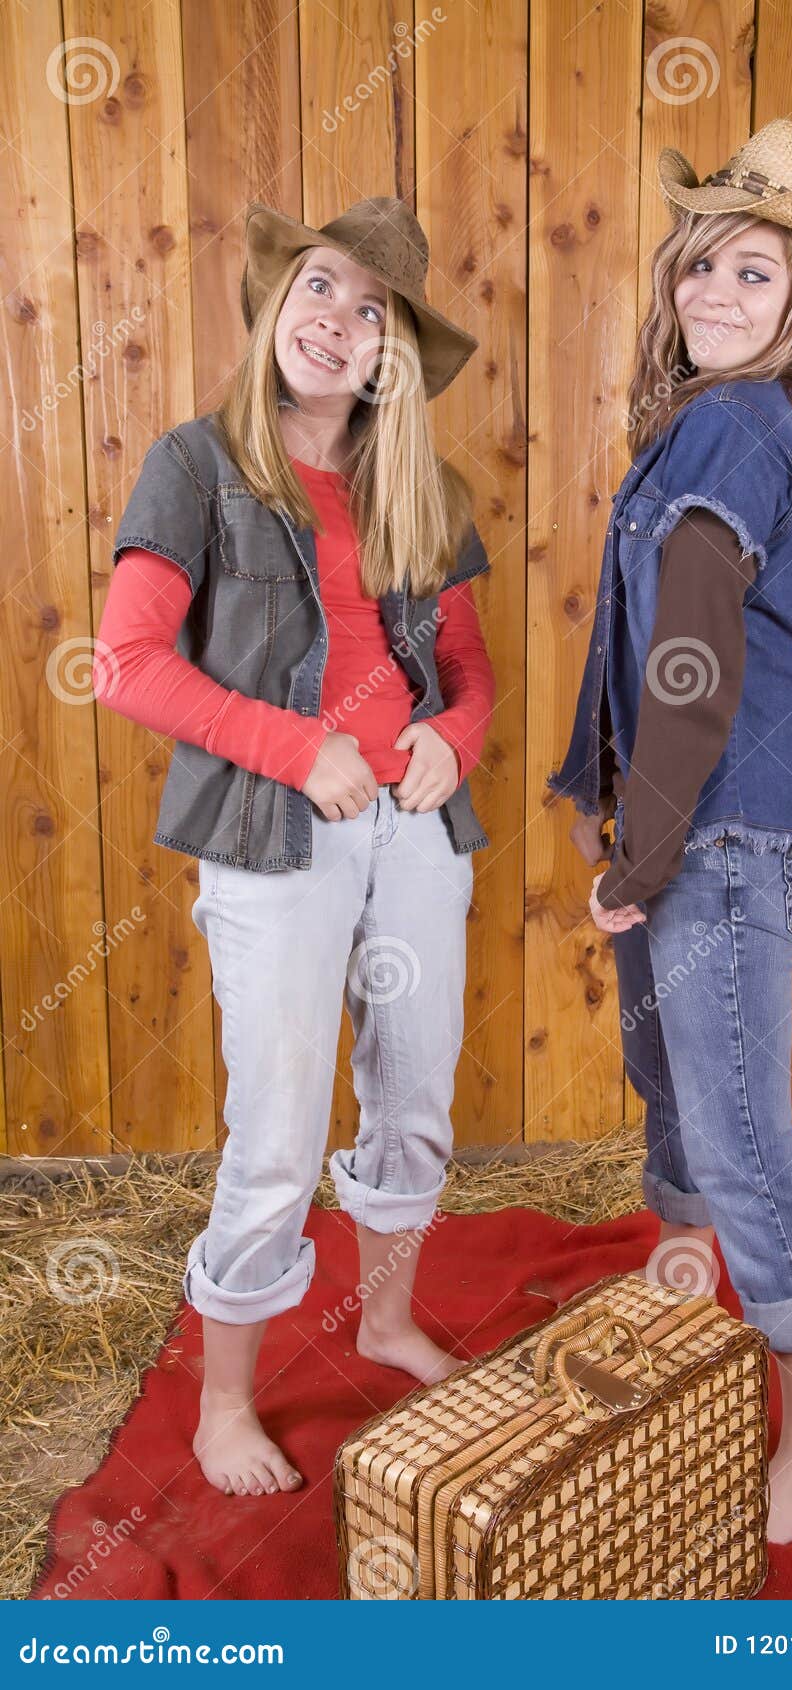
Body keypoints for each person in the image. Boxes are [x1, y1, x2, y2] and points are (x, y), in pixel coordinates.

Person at [94, 197, 495, 1499]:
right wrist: (293, 745)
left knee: (415, 1094)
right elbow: (127, 664)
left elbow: (471, 673)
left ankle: (382, 1319)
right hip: (278, 837)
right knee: (274, 1126)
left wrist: (458, 741)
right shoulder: (196, 464)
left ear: (392, 350)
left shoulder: (418, 484)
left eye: (370, 309)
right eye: (322, 288)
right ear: (279, 303)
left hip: (418, 831)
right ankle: (225, 1405)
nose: (338, 320)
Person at [547, 118, 792, 1544]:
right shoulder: (722, 420)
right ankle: (694, 1316)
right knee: (682, 1092)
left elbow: (692, 658)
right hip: (696, 816)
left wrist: (646, 847)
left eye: (759, 271)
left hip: (723, 830)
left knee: (738, 1130)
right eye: (704, 264)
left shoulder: (734, 422)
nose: (717, 295)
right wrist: (612, 790)